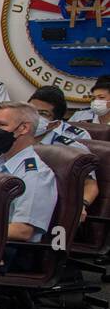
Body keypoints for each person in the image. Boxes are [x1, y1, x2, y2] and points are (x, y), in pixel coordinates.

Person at [0, 103, 58, 271]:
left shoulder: (35, 174)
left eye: (1, 125)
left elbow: (22, 230)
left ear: (23, 128)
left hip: (11, 252)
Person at [29, 86, 97, 221]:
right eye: (31, 111)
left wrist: (81, 206)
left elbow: (90, 185)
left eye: (43, 114)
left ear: (55, 123)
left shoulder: (69, 148)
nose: (34, 117)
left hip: (51, 211)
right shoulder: (13, 139)